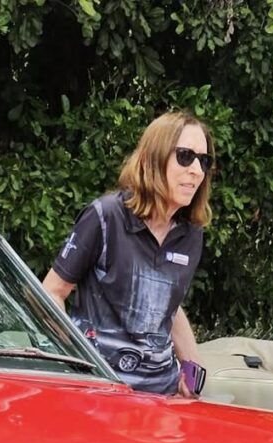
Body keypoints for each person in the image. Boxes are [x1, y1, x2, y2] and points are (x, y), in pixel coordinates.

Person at [42, 111, 209, 396]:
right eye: (185, 156)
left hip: (162, 395)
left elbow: (169, 306)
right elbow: (52, 292)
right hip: (101, 391)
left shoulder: (191, 234)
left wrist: (193, 375)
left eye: (203, 161)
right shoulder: (105, 217)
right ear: (155, 157)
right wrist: (78, 361)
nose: (196, 170)